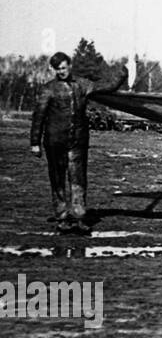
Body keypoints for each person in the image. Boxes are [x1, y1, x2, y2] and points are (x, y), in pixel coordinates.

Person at [30, 52, 128, 235]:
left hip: (78, 142)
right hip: (54, 142)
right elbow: (39, 117)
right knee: (58, 180)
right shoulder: (48, 89)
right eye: (58, 69)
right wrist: (34, 142)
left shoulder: (83, 84)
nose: (62, 72)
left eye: (64, 68)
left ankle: (79, 217)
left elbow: (107, 87)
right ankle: (62, 218)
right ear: (54, 69)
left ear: (70, 66)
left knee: (78, 180)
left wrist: (122, 74)